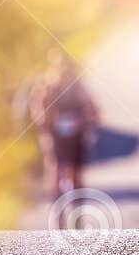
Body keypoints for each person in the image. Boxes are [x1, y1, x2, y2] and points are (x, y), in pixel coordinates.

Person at [29, 50, 100, 199]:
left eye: (66, 66)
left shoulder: (77, 86)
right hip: (56, 134)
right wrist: (46, 121)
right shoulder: (47, 85)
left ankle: (76, 206)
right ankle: (59, 204)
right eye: (60, 66)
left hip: (75, 135)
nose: (64, 70)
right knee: (56, 168)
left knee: (75, 172)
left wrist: (89, 121)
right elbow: (39, 110)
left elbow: (92, 108)